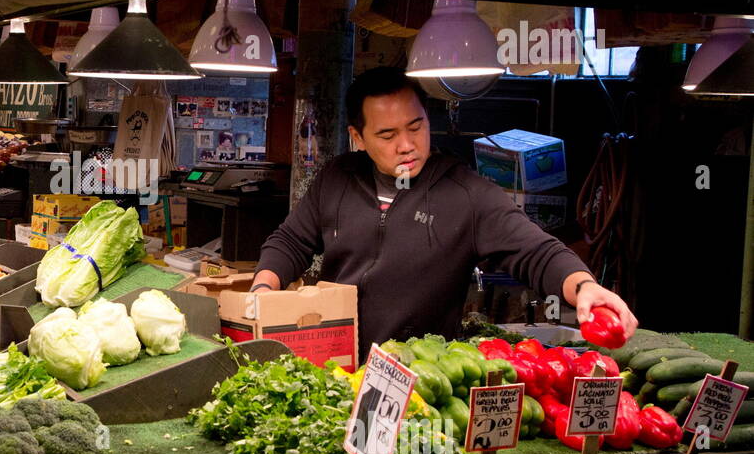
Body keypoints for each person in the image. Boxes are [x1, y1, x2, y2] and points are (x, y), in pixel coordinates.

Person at [252, 67, 639, 359]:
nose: (406, 145)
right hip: (335, 365)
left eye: (416, 126)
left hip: (419, 374)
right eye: (387, 135)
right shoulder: (337, 178)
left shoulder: (466, 193)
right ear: (358, 137)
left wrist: (584, 286)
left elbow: (535, 250)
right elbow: (290, 241)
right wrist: (262, 290)